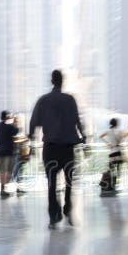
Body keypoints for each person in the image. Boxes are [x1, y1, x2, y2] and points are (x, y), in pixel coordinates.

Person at [29, 70, 86, 228]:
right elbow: (78, 121)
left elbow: (34, 122)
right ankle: (68, 210)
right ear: (62, 81)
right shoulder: (70, 100)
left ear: (52, 81)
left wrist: (31, 137)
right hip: (68, 148)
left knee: (52, 183)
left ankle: (54, 215)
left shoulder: (43, 100)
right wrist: (84, 136)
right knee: (69, 182)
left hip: (51, 149)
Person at [0, 110, 19, 197]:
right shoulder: (10, 127)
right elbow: (16, 131)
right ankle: (3, 190)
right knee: (8, 171)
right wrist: (14, 121)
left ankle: (3, 189)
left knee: (3, 171)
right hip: (8, 152)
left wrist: (10, 119)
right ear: (7, 117)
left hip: (0, 151)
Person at [99, 118, 123, 195]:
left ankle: (111, 184)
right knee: (118, 170)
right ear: (116, 124)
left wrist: (108, 143)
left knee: (111, 169)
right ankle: (115, 183)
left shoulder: (108, 131)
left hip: (111, 153)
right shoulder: (119, 131)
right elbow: (119, 141)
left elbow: (101, 136)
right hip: (118, 152)